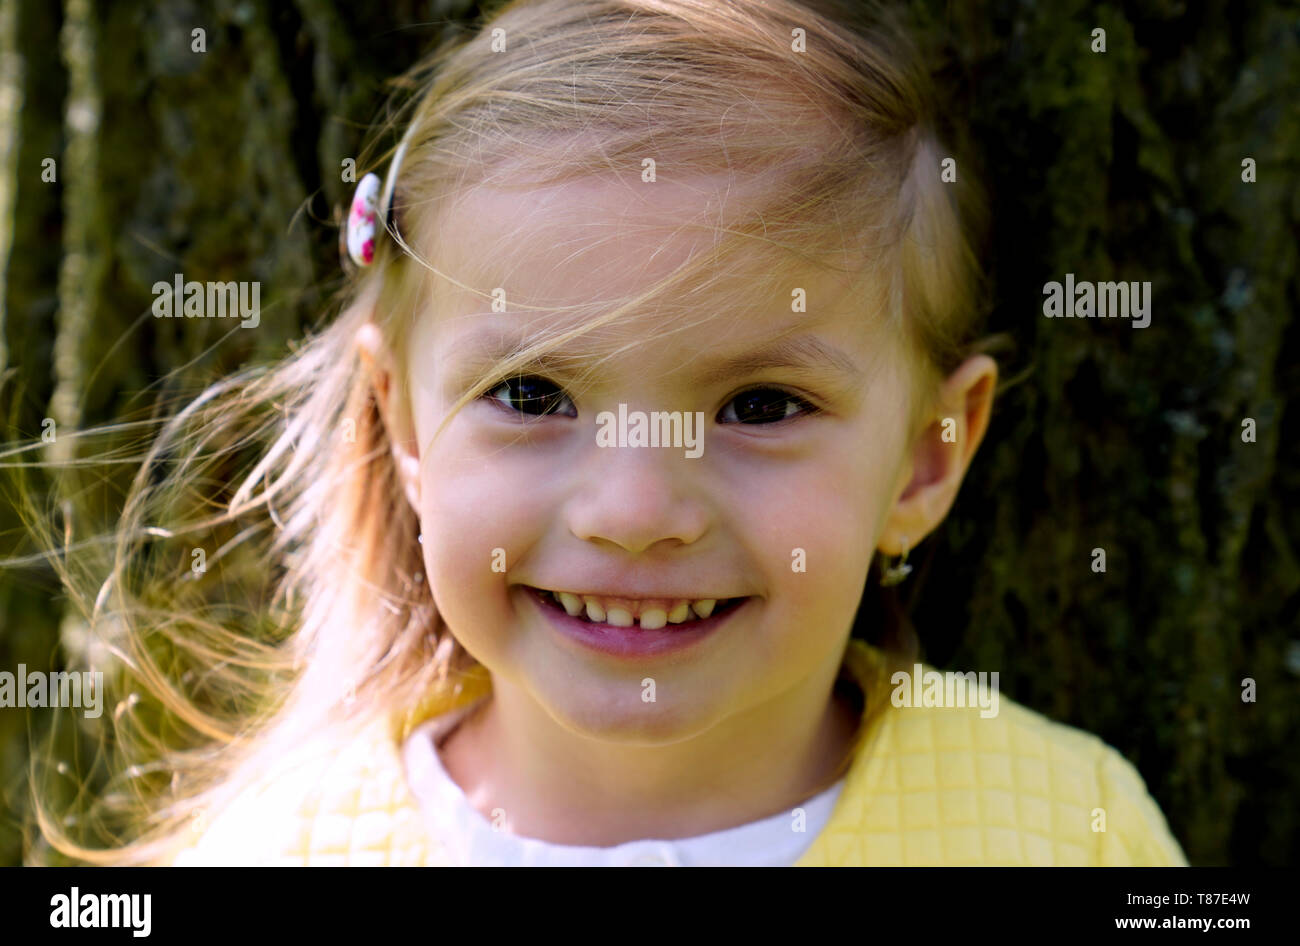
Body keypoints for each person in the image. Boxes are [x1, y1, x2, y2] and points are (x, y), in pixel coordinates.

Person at [28, 0, 1186, 866]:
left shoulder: (1061, 828)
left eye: (760, 407)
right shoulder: (276, 854)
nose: (634, 516)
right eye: (533, 397)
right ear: (404, 426)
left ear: (928, 456)